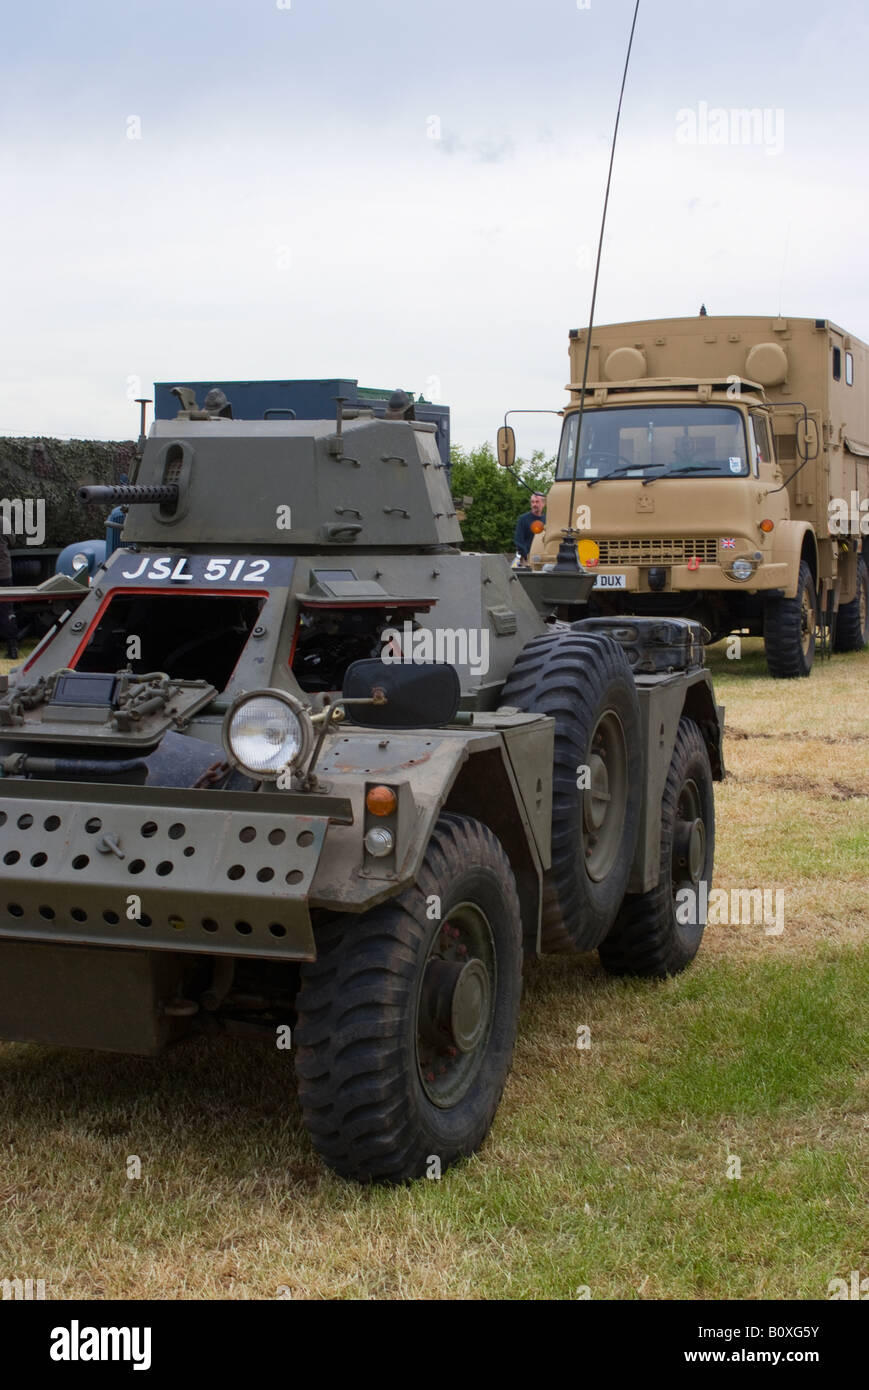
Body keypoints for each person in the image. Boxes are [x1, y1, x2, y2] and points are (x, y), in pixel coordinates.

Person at [513, 492, 546, 564]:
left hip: (544, 559)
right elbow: (519, 541)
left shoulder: (548, 520)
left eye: (537, 502)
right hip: (526, 560)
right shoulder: (523, 519)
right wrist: (527, 556)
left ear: (543, 503)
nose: (534, 504)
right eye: (532, 502)